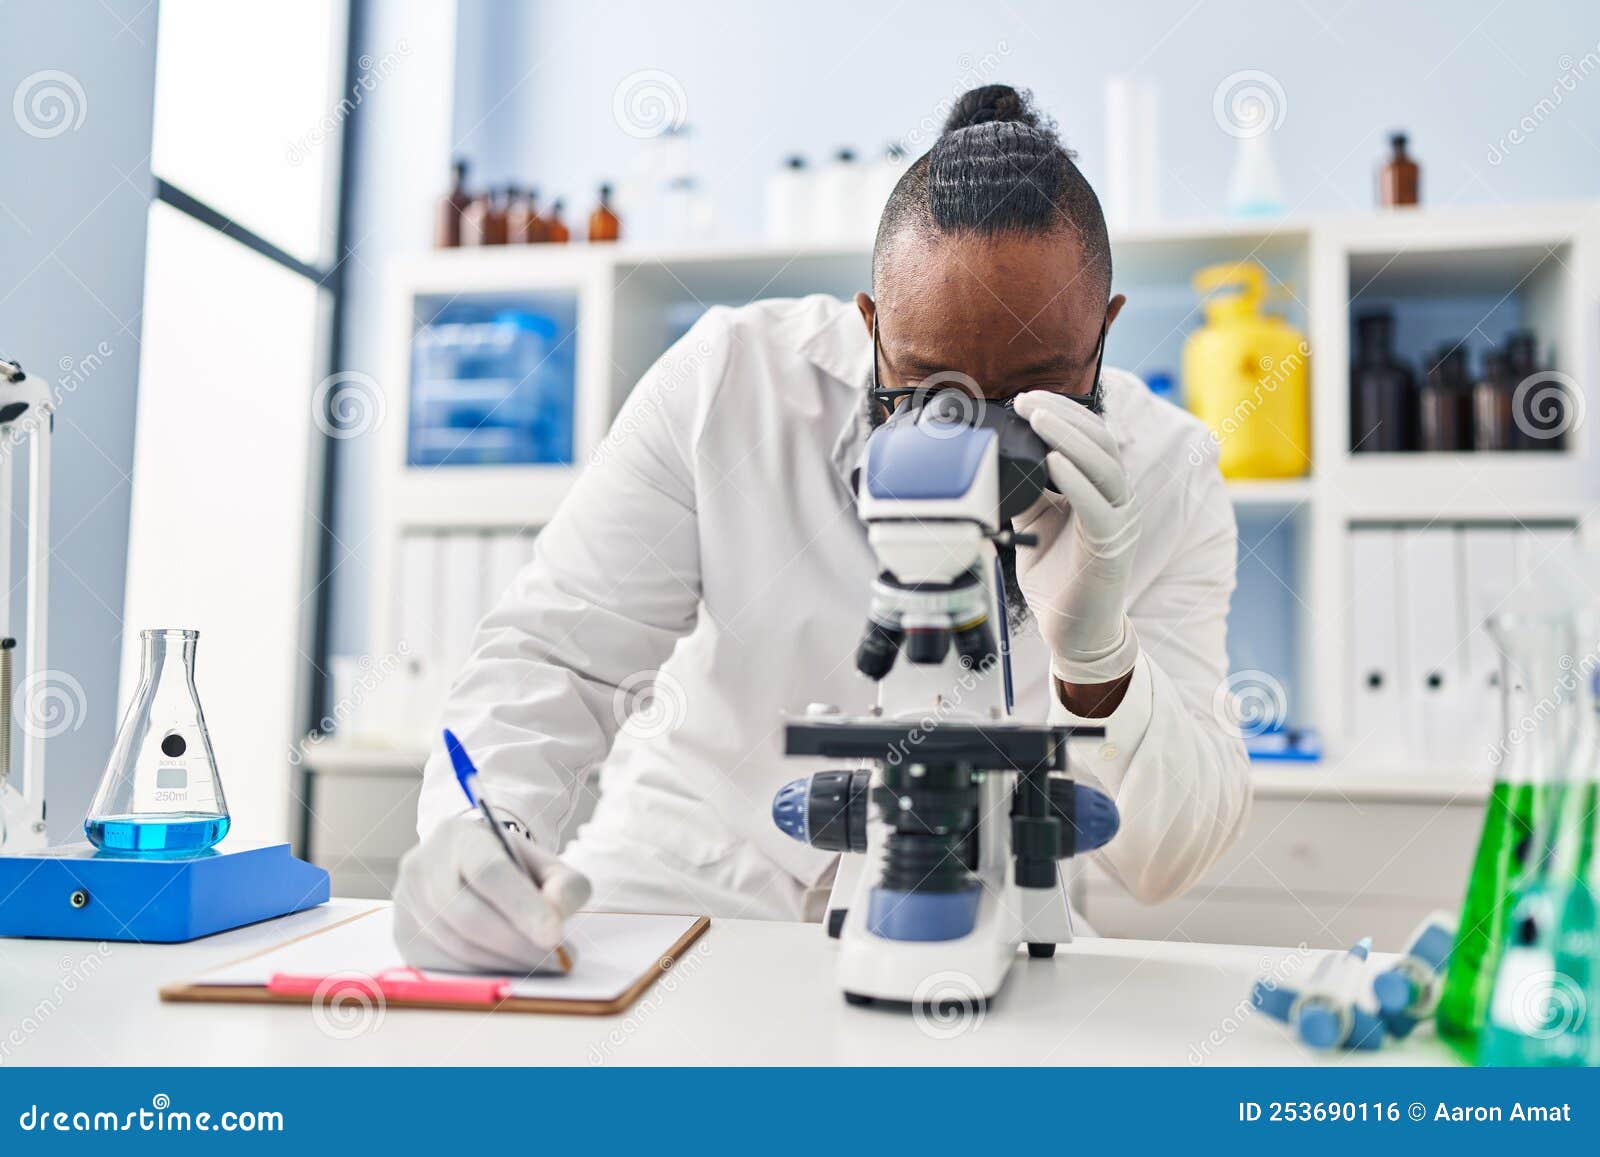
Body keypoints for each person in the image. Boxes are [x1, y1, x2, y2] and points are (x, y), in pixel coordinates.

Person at [393, 85, 1251, 973]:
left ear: (1104, 333)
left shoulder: (1168, 471)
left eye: (1032, 389)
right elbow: (557, 657)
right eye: (929, 391)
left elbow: (1166, 857)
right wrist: (479, 831)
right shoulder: (726, 384)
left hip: (987, 898)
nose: (978, 442)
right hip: (684, 885)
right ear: (871, 325)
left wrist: (1101, 662)